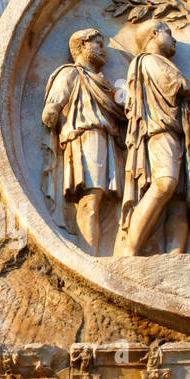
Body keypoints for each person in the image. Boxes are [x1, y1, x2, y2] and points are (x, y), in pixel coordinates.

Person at [116, 20, 190, 257]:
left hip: (184, 133)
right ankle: (130, 251)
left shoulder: (160, 62)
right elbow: (178, 86)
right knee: (165, 183)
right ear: (154, 34)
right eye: (169, 33)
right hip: (160, 131)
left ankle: (175, 257)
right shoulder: (147, 60)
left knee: (182, 199)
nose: (174, 39)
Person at [41, 28, 125, 253]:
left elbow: (121, 108)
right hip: (85, 136)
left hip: (105, 138)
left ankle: (96, 251)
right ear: (82, 46)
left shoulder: (103, 81)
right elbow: (51, 109)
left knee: (102, 200)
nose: (103, 50)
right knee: (91, 198)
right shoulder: (71, 73)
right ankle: (89, 253)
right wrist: (53, 112)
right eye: (97, 44)